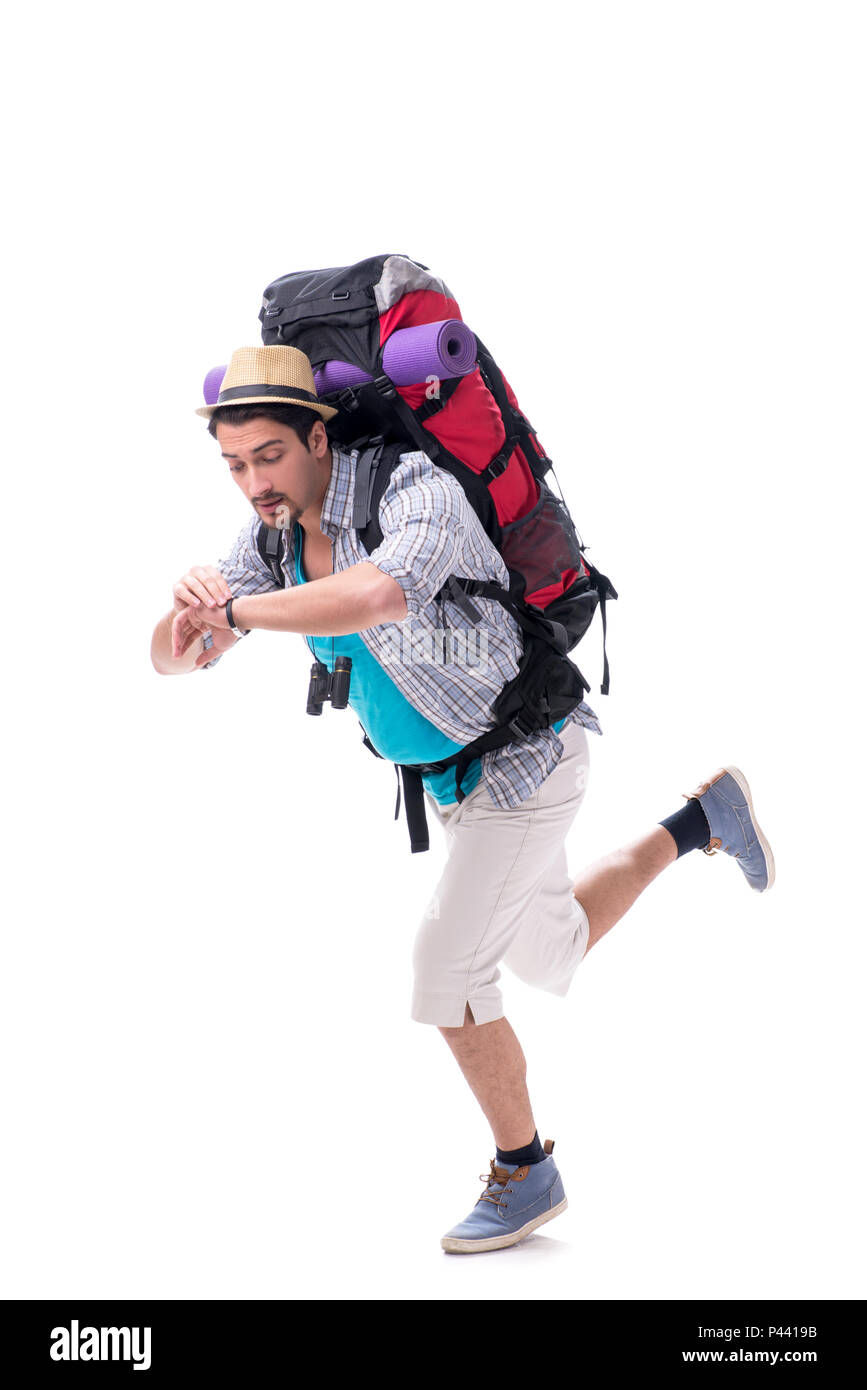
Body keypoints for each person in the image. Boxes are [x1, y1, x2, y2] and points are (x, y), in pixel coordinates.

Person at [151, 344, 775, 1254]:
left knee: (448, 973)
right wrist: (187, 614)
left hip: (527, 761)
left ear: (319, 437)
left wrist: (236, 614)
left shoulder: (415, 491)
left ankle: (526, 1171)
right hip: (453, 782)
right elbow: (170, 660)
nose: (253, 482)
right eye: (234, 465)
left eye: (268, 456)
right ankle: (702, 817)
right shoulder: (274, 533)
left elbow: (372, 595)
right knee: (548, 945)